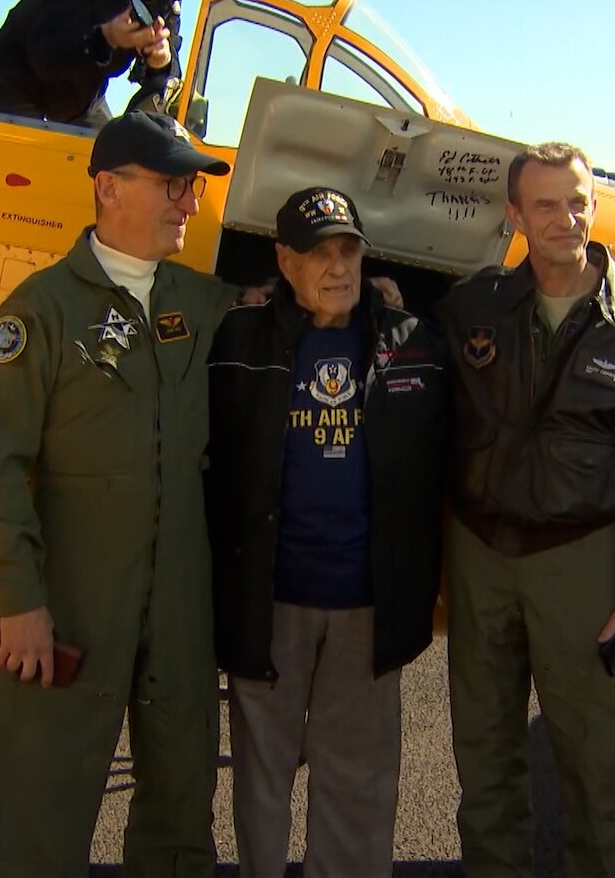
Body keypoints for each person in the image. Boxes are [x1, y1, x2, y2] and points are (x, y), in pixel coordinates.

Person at [0, 110, 235, 876]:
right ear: (107, 188)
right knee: (40, 806)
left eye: (192, 187)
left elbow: (298, 318)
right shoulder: (41, 312)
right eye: (173, 184)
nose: (189, 202)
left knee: (182, 808)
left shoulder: (207, 305)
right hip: (69, 602)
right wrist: (20, 599)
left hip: (179, 604)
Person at [436, 142, 615, 878]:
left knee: (601, 765)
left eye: (577, 201)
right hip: (480, 554)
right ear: (516, 215)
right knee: (484, 761)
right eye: (545, 204)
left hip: (578, 559)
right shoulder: (472, 309)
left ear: (594, 206)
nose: (565, 218)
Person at [205, 187, 449, 878]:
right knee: (261, 785)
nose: (337, 267)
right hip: (269, 603)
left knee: (359, 790)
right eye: (317, 253)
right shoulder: (237, 339)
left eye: (348, 249)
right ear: (284, 260)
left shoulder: (412, 344)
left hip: (367, 610)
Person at [0, 0, 186, 127]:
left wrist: (161, 62)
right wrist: (105, 38)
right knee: (23, 167)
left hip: (83, 95)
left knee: (111, 167)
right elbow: (46, 57)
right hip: (19, 79)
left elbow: (170, 65)